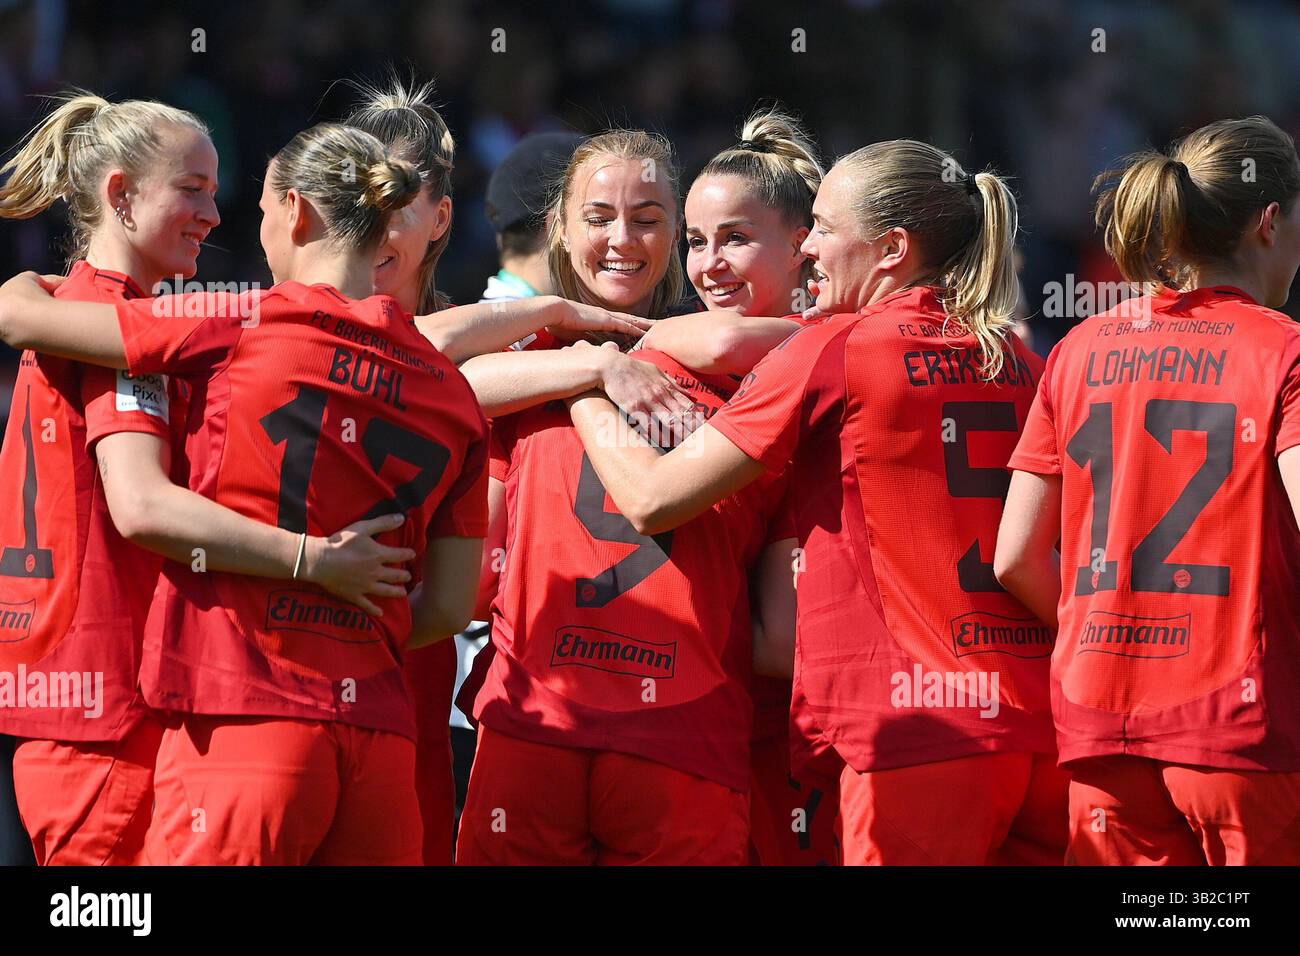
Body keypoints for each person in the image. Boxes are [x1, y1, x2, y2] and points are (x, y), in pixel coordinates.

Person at [564, 139, 1066, 865]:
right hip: (1038, 728)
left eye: (825, 229)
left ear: (890, 248)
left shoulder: (836, 349)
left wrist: (586, 386)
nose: (807, 251)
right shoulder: (1020, 359)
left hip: (918, 732)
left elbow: (650, 498)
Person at [0, 122, 490, 865]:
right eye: (194, 189)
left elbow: (139, 502)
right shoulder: (449, 389)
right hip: (372, 727)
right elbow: (452, 607)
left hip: (234, 712)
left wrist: (311, 561)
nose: (225, 217)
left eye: (241, 199)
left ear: (295, 211)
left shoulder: (234, 322)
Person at [996, 116, 1300, 866]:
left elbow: (1015, 558)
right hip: (1243, 728)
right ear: (1269, 224)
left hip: (1099, 718)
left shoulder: (1077, 348)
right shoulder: (1285, 351)